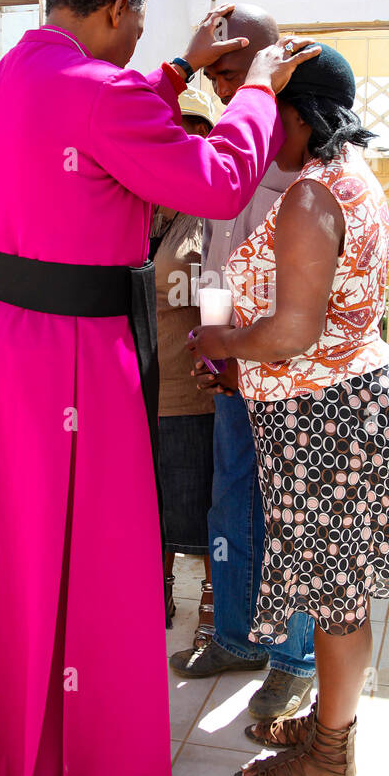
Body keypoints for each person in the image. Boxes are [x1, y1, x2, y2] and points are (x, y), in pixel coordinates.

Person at [0, 0, 320, 776]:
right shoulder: (100, 95)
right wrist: (254, 89)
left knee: (9, 554)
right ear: (110, 11)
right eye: (137, 25)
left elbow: (100, 118)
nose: (142, 44)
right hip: (73, 354)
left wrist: (178, 64)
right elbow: (216, 180)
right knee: (88, 559)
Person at [188, 44, 389, 776]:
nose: (264, 129)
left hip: (324, 412)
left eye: (273, 112)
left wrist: (221, 341)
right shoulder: (348, 179)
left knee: (336, 592)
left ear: (300, 115)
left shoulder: (310, 196)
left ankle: (331, 753)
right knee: (336, 582)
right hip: (341, 399)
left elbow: (290, 333)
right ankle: (330, 721)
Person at [169, 5, 316, 725]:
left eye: (234, 70)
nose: (224, 87)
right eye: (214, 73)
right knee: (234, 505)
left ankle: (296, 661)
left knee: (292, 516)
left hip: (289, 369)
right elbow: (220, 261)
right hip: (231, 367)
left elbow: (305, 285)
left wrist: (249, 353)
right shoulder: (237, 137)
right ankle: (235, 637)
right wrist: (215, 344)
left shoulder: (301, 148)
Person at [151, 87, 217, 645]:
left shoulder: (216, 211)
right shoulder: (135, 200)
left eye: (199, 133)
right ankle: (159, 591)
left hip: (193, 388)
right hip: (132, 387)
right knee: (148, 504)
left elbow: (229, 293)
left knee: (200, 504)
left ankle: (214, 612)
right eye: (178, 132)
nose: (188, 144)